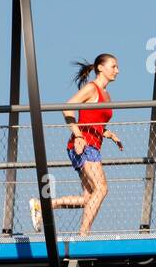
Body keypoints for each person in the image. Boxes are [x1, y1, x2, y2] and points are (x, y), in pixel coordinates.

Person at [30, 53, 123, 236]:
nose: (117, 71)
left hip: (93, 146)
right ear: (100, 68)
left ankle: (42, 205)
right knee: (102, 188)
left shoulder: (107, 95)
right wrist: (78, 135)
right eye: (113, 66)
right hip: (83, 146)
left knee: (88, 198)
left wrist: (108, 133)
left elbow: (94, 122)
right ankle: (84, 233)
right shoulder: (92, 88)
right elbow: (67, 106)